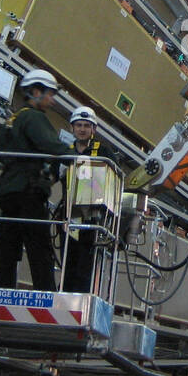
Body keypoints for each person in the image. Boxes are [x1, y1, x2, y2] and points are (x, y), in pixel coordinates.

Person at [0, 69, 70, 291]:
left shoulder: (14, 118)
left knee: (8, 246)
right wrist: (77, 157)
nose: (51, 99)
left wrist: (13, 166)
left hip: (9, 192)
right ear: (36, 92)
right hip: (29, 192)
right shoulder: (34, 117)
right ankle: (47, 295)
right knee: (39, 246)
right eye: (49, 94)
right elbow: (50, 144)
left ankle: (2, 290)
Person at [60, 105, 122, 295]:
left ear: (93, 130)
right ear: (72, 127)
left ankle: (81, 295)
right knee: (67, 257)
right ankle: (65, 292)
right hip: (69, 213)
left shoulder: (103, 152)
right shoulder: (65, 152)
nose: (82, 129)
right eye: (78, 125)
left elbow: (116, 178)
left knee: (86, 259)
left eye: (87, 125)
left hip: (91, 215)